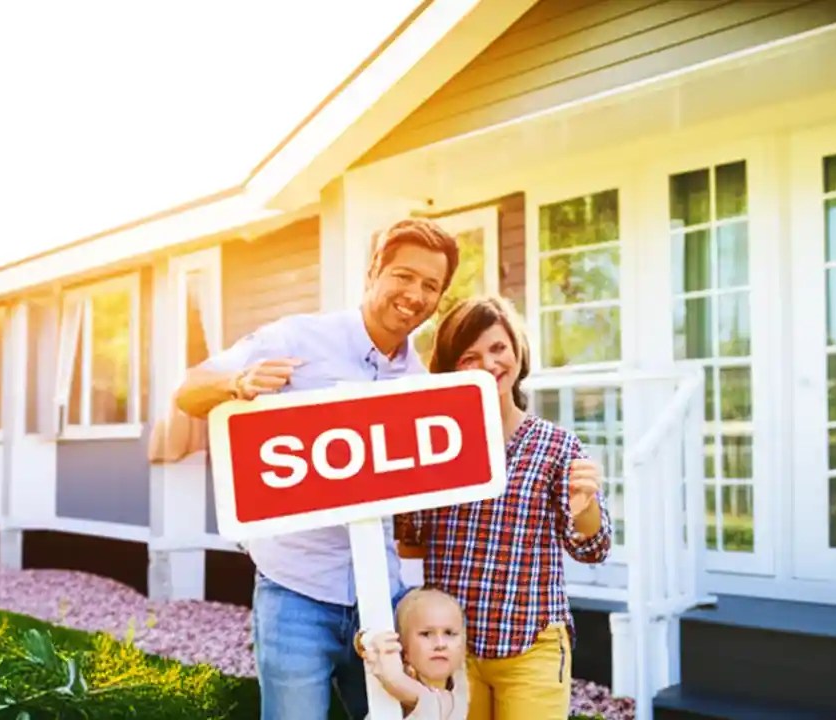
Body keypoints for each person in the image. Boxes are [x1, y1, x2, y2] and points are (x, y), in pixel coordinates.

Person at [151, 217, 462, 720]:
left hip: (379, 598)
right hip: (295, 592)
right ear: (372, 274)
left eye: (430, 285)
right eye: (403, 276)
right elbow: (189, 389)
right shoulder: (295, 337)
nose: (414, 294)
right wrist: (239, 382)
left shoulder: (417, 382)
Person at [394, 295, 612, 720]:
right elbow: (411, 543)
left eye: (498, 348)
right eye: (469, 357)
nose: (490, 364)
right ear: (449, 369)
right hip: (453, 651)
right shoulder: (433, 449)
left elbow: (593, 549)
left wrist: (583, 508)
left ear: (517, 351)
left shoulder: (555, 445)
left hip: (530, 645)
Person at [356, 587, 470, 720]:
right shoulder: (385, 687)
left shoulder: (460, 685)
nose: (440, 644)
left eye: (449, 633)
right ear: (402, 644)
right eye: (426, 634)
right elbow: (368, 644)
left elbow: (441, 704)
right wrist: (365, 642)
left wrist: (400, 684)